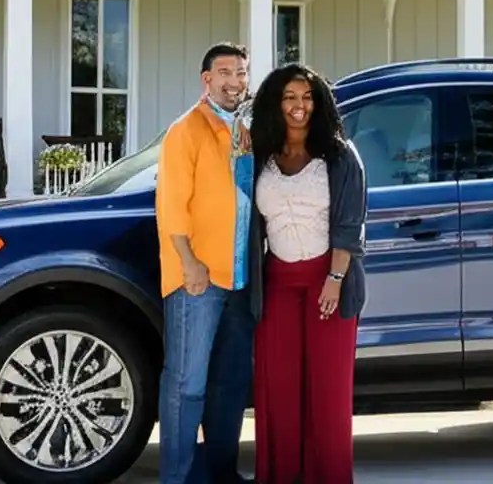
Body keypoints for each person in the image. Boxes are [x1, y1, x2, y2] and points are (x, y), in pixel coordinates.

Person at [248, 62, 368, 484]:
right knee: (279, 391)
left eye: (306, 98)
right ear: (275, 104)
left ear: (318, 104)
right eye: (289, 98)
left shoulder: (339, 156)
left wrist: (335, 281)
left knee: (328, 396)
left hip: (328, 282)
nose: (298, 106)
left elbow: (349, 227)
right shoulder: (258, 154)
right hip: (277, 283)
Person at [155, 42, 257, 484]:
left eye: (240, 73)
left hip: (240, 279)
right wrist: (188, 262)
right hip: (198, 277)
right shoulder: (187, 129)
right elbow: (170, 204)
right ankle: (176, 476)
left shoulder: (245, 131)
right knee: (186, 385)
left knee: (230, 388)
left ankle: (221, 473)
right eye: (224, 72)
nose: (234, 81)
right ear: (207, 79)